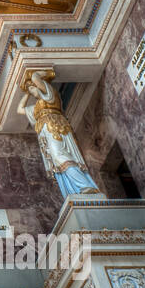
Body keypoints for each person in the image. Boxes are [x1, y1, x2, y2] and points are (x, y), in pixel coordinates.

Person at [18, 69, 101, 198]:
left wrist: (44, 75)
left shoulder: (50, 95)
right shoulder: (36, 108)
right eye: (31, 90)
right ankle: (75, 189)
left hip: (55, 126)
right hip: (45, 131)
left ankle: (85, 185)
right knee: (57, 160)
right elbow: (20, 110)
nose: (32, 91)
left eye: (33, 89)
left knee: (59, 155)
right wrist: (27, 92)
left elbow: (35, 77)